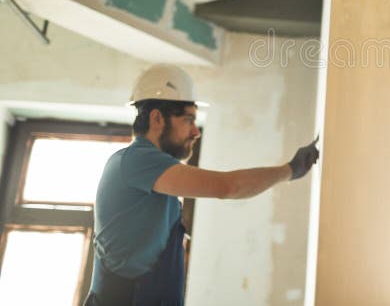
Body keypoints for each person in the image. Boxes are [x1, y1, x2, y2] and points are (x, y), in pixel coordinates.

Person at [84, 64, 319, 306]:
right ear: (156, 118)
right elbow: (229, 187)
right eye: (188, 119)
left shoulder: (153, 176)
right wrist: (290, 170)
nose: (196, 132)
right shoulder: (136, 161)